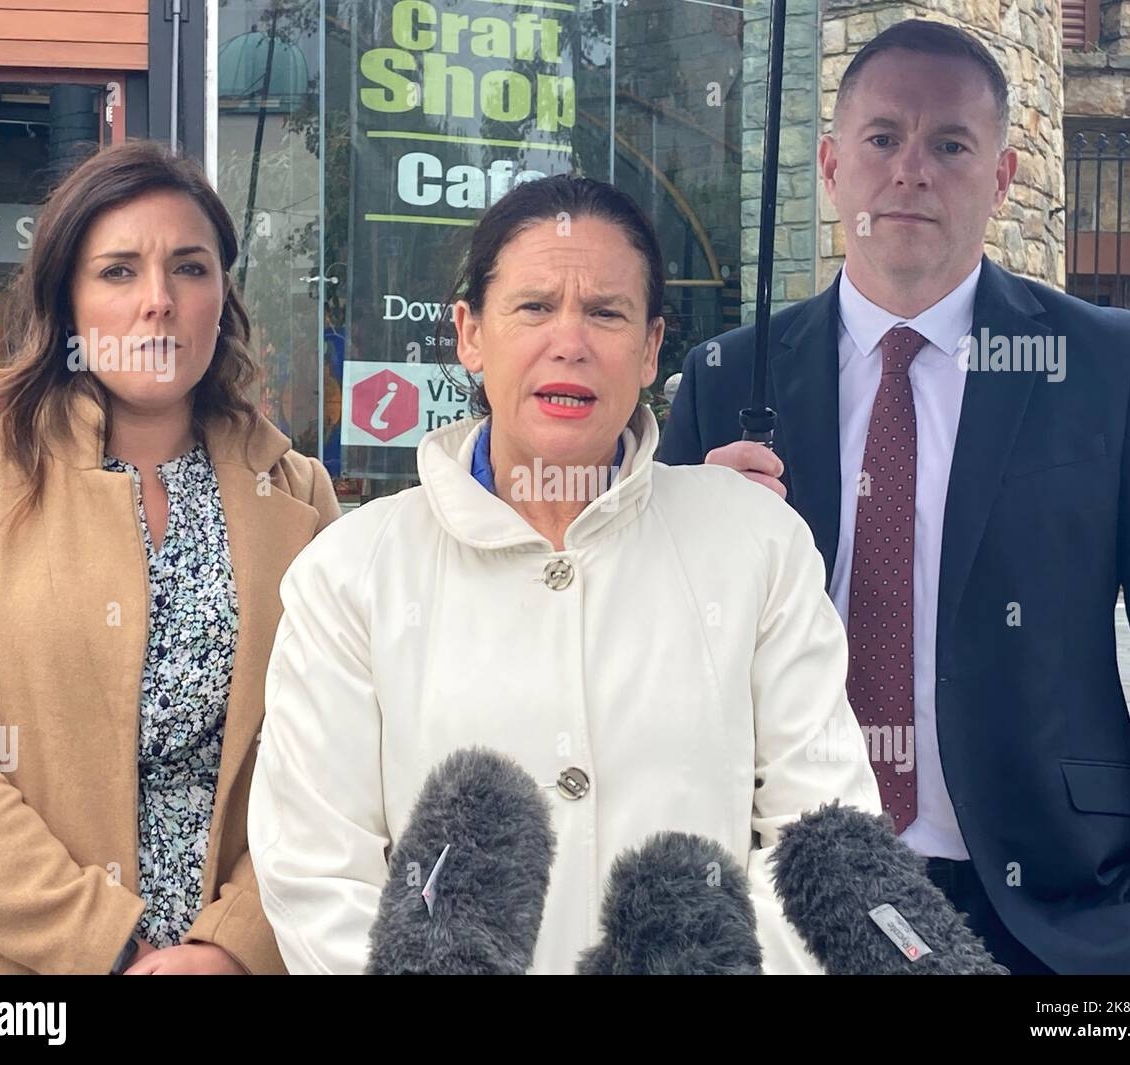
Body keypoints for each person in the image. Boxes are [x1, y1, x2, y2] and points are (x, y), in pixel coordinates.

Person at [660, 18, 1130, 975]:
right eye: (883, 138)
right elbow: (650, 655)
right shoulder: (727, 376)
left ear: (999, 179)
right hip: (791, 892)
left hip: (1060, 915)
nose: (911, 170)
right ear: (833, 164)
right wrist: (684, 538)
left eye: (950, 143)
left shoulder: (1107, 367)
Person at [247, 174, 882, 974]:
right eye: (534, 306)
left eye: (607, 312)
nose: (570, 341)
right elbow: (318, 871)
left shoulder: (758, 544)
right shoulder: (349, 576)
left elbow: (822, 836)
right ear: (469, 334)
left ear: (652, 349)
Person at [0, 141, 341, 974]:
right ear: (66, 300)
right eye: (117, 271)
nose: (158, 302)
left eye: (190, 267)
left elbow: (331, 767)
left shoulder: (300, 495)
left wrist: (232, 943)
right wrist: (110, 946)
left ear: (222, 294)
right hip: (13, 972)